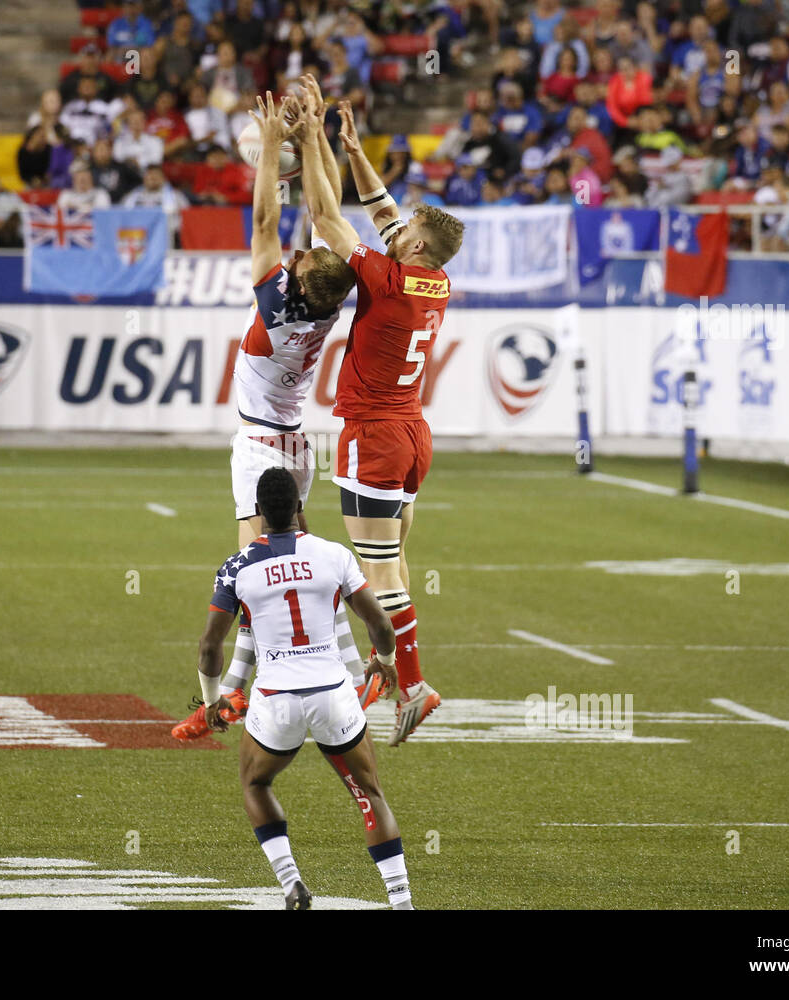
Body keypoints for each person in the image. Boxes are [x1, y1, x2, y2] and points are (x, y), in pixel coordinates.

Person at [172, 90, 369, 742]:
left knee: (254, 575)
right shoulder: (328, 296)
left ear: (303, 273)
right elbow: (325, 209)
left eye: (304, 254)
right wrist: (312, 135)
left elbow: (262, 224)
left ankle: (234, 694)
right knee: (298, 563)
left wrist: (271, 146)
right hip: (294, 447)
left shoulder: (281, 302)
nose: (298, 250)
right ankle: (327, 667)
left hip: (262, 447)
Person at [300, 75, 465, 745]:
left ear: (415, 246)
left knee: (384, 577)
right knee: (384, 564)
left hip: (375, 434)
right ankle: (381, 666)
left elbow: (330, 220)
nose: (396, 228)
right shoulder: (431, 277)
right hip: (413, 434)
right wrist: (356, 148)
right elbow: (385, 213)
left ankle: (415, 683)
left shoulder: (389, 281)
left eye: (407, 230)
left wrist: (312, 137)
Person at [196, 467, 408, 910]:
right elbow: (379, 623)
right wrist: (385, 662)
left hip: (275, 701)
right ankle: (401, 901)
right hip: (333, 693)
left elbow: (210, 644)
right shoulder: (333, 555)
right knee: (369, 794)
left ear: (257, 513)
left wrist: (214, 698)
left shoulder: (236, 566)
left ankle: (292, 883)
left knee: (256, 783)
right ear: (299, 508)